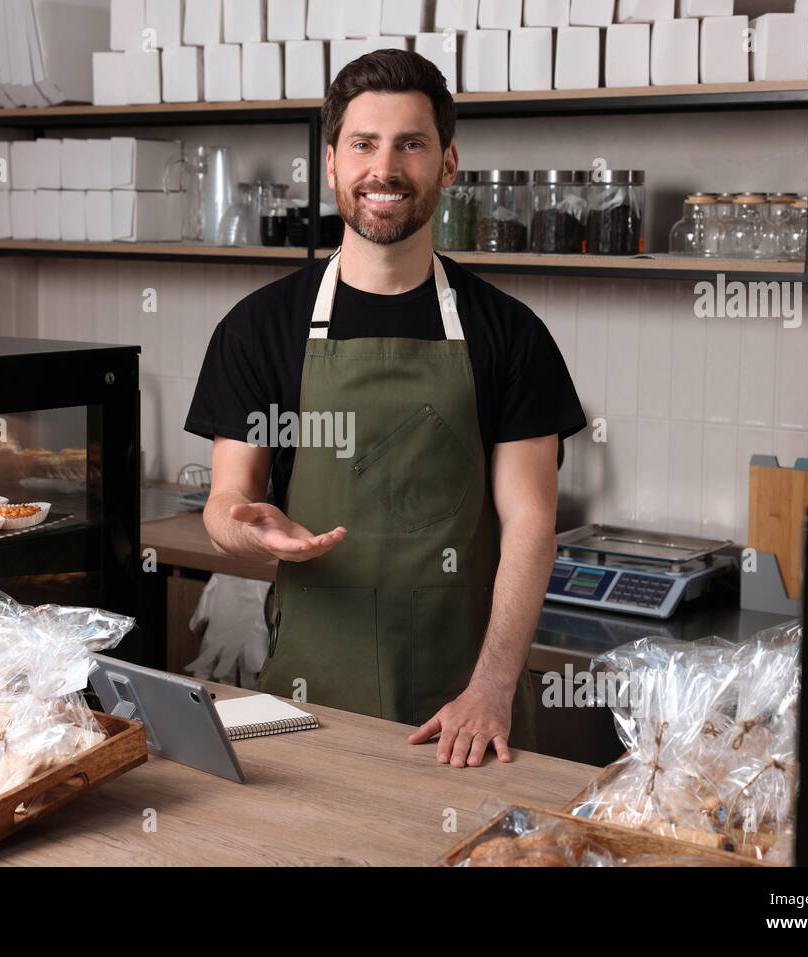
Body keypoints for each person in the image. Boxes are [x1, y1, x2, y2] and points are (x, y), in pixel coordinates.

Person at [185, 49, 586, 768]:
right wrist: (253, 533)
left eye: (412, 143)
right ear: (331, 162)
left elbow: (532, 523)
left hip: (465, 719)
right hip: (308, 706)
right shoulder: (259, 328)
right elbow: (225, 504)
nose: (386, 168)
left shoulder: (509, 334)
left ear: (449, 163)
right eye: (364, 144)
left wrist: (492, 685)